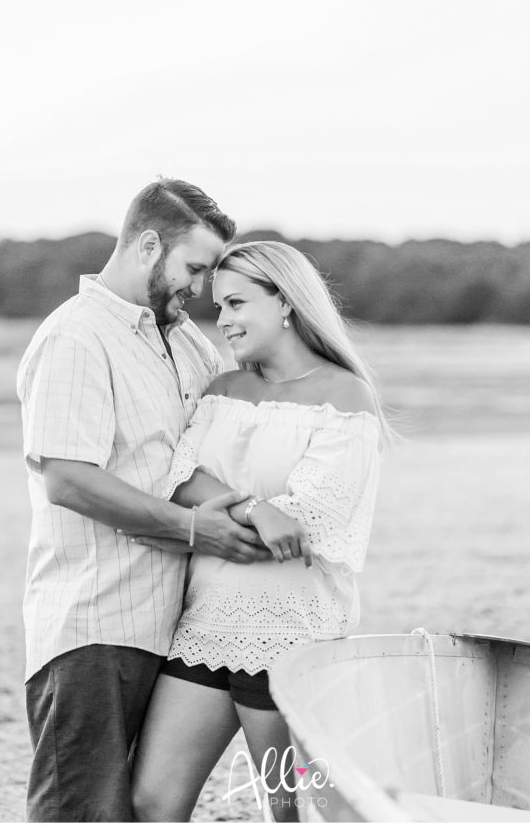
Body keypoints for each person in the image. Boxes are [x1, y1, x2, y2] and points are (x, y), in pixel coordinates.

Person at [16, 179, 272, 823]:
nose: (200, 287)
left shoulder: (185, 340)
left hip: (172, 625)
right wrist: (194, 529)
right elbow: (68, 479)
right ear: (149, 245)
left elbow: (204, 452)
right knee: (82, 812)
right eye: (195, 268)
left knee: (145, 810)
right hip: (97, 625)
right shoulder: (77, 337)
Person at [131, 240, 393, 823]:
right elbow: (175, 478)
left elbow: (305, 526)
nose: (223, 320)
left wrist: (221, 516)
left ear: (286, 302)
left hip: (290, 635)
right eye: (218, 307)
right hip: (204, 626)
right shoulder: (224, 390)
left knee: (292, 808)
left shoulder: (345, 397)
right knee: (152, 802)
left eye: (236, 303)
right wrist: (254, 508)